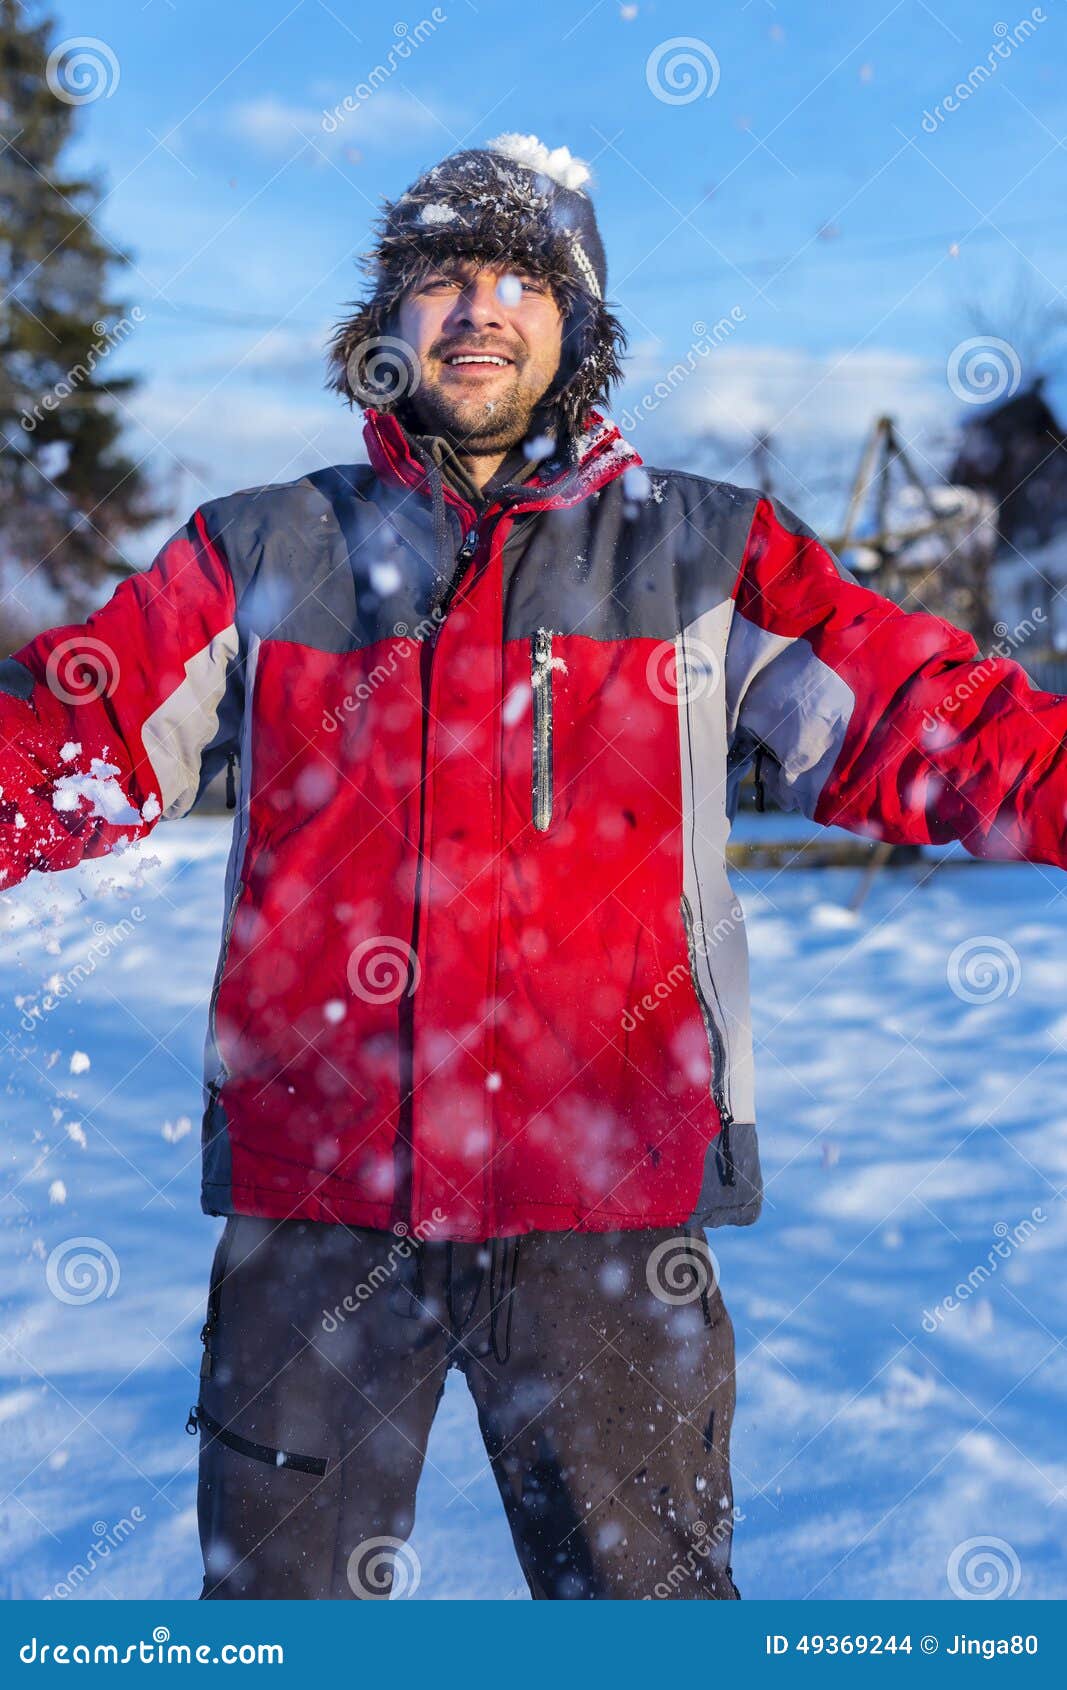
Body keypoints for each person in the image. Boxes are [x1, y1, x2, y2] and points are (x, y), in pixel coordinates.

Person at [3, 133, 1065, 1601]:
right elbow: (67, 736)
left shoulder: (702, 552)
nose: (477, 307)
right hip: (317, 1220)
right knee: (274, 1630)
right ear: (389, 321)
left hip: (611, 1220)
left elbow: (933, 725)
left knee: (647, 1629)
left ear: (581, 324)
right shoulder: (264, 549)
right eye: (440, 274)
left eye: (522, 275)